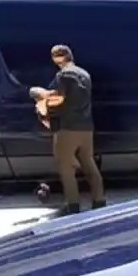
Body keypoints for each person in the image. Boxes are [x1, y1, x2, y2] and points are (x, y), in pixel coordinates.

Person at [29, 44, 105, 216]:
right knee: (89, 164)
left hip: (67, 128)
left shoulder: (64, 74)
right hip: (86, 127)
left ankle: (72, 205)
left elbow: (61, 99)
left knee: (66, 167)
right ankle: (99, 202)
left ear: (59, 57)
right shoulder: (85, 74)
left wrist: (42, 98)